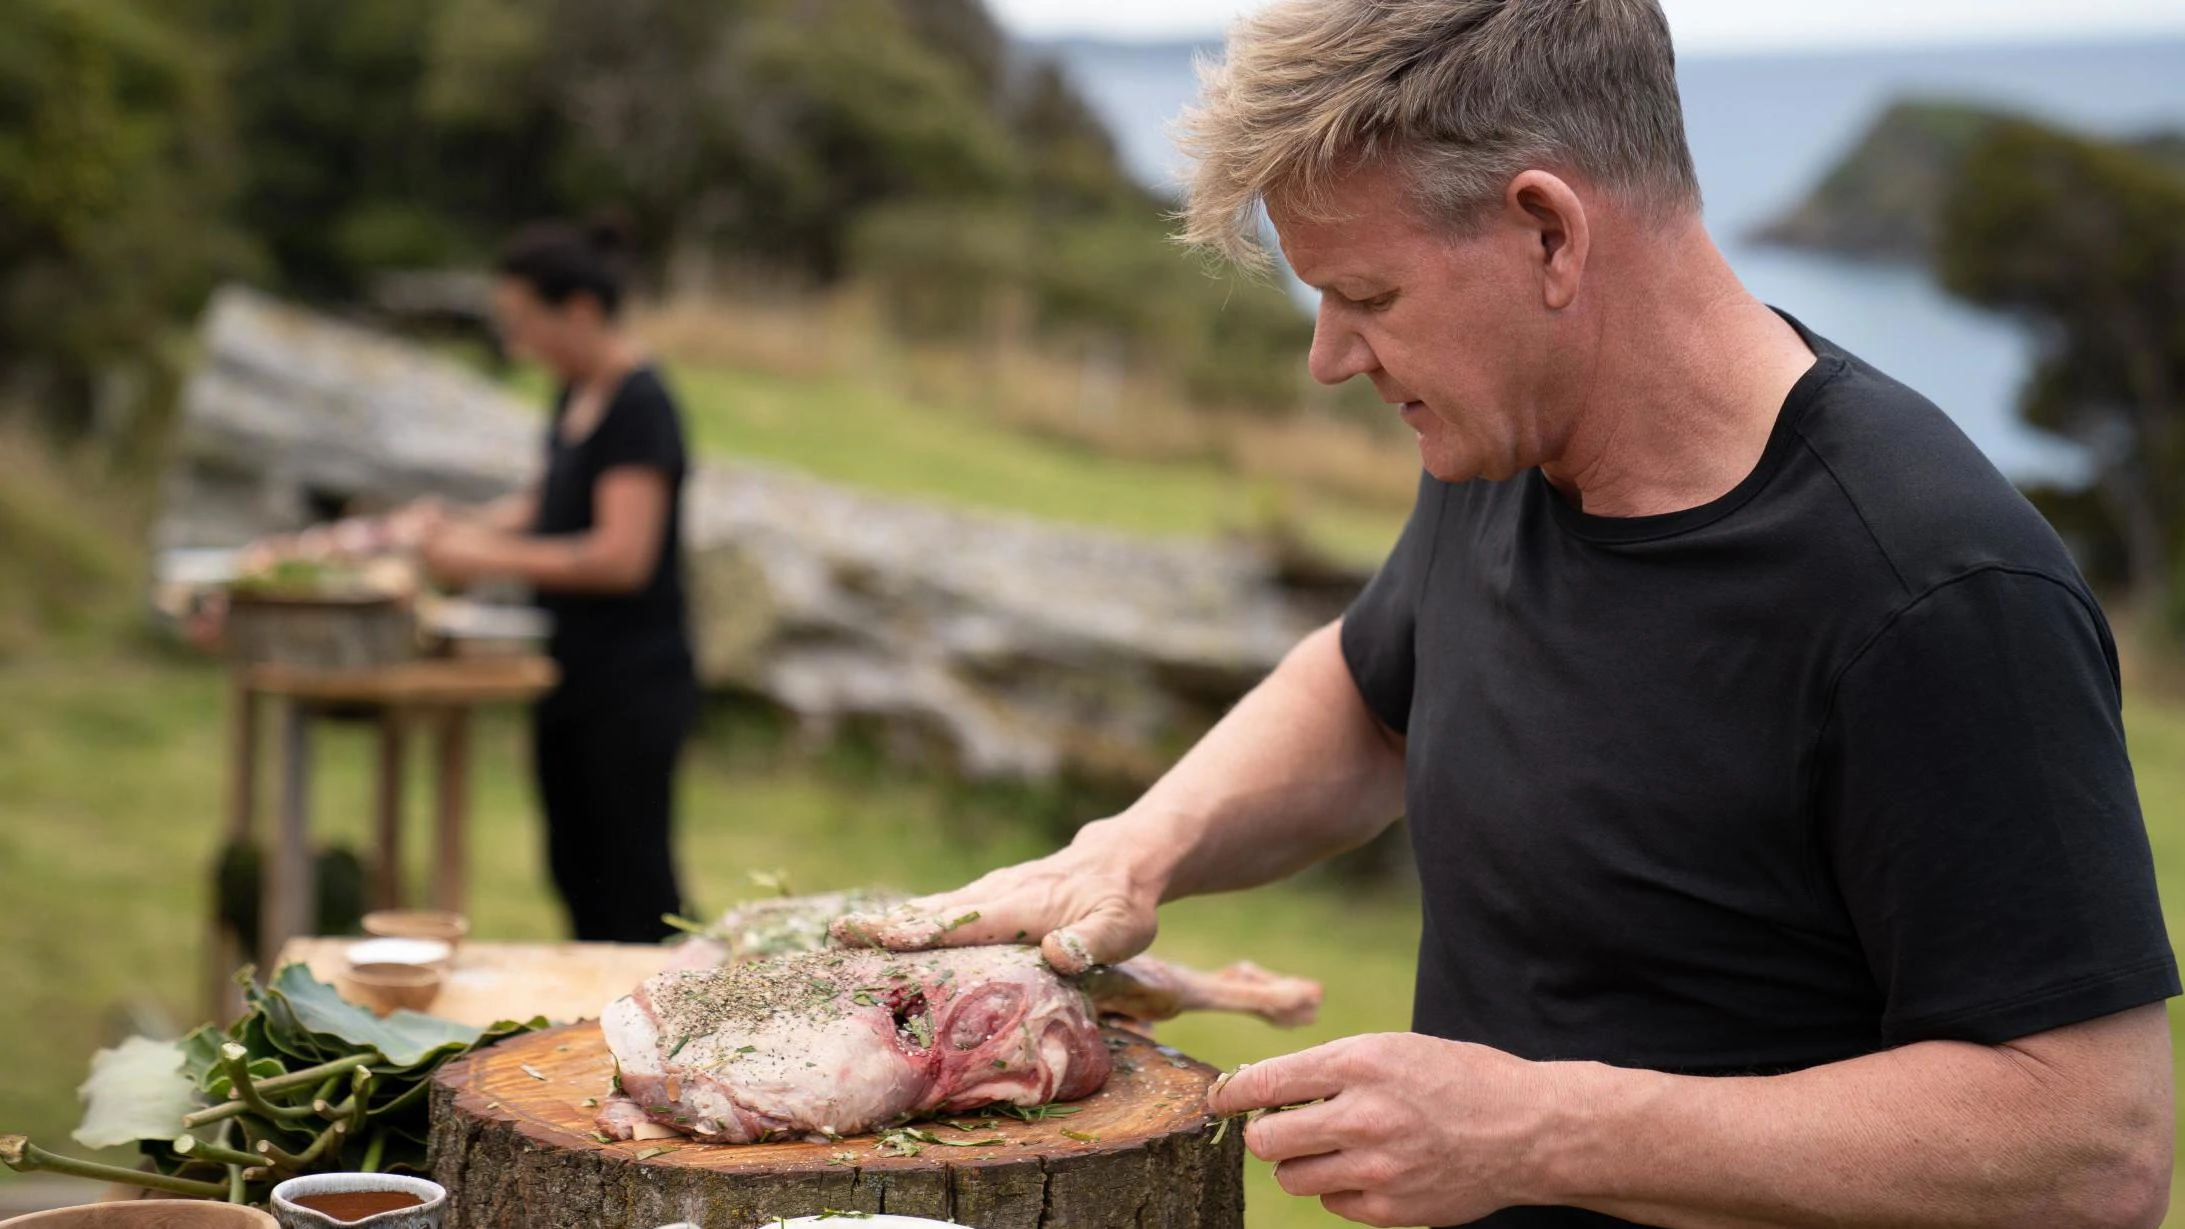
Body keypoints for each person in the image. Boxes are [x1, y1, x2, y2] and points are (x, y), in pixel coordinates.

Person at [830, 2, 2178, 1226]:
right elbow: (1369, 693)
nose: (1327, 359)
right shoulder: (1510, 441)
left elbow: (2092, 1141)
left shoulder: (1935, 592)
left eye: (1365, 295)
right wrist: (1139, 849)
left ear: (1547, 231)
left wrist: (1543, 1129)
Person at [414, 218, 698, 945]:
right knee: (574, 868)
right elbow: (548, 505)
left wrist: (482, 560)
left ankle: (685, 1038)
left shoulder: (641, 406)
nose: (515, 343)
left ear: (577, 310)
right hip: (572, 671)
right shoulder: (574, 395)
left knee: (635, 884)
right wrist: (462, 527)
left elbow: (620, 554)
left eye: (521, 323)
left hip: (633, 685)